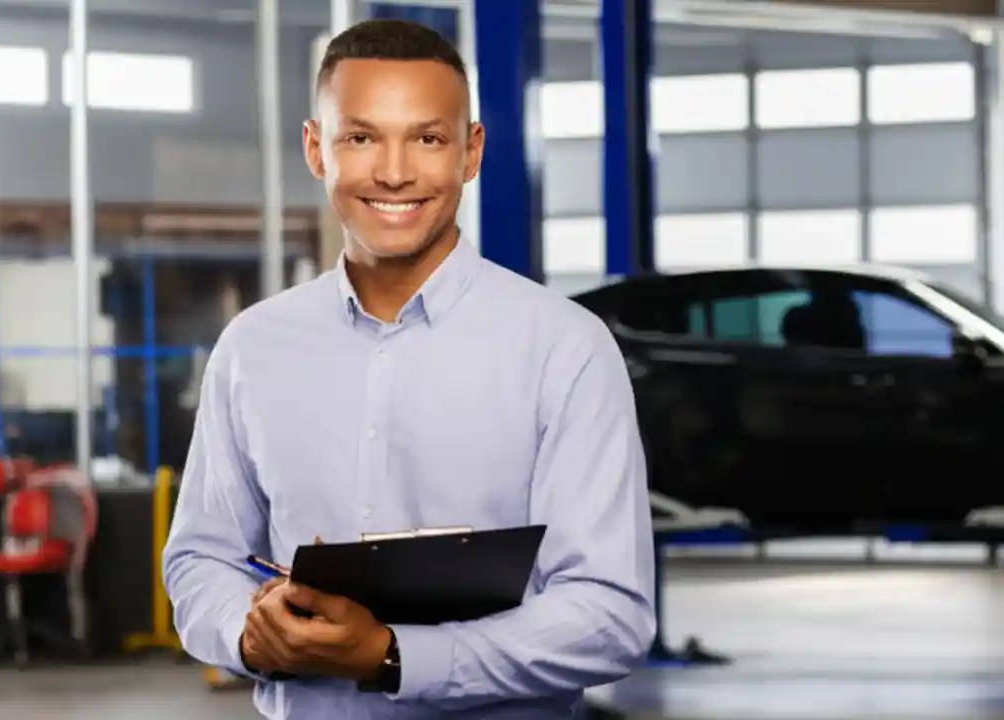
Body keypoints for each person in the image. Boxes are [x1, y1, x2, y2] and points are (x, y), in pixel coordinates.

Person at [161, 18, 656, 719]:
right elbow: (199, 561)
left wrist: (391, 656)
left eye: (427, 138)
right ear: (315, 148)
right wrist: (248, 631)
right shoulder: (252, 349)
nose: (393, 172)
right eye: (361, 137)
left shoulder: (564, 349)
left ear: (471, 151)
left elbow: (610, 615)